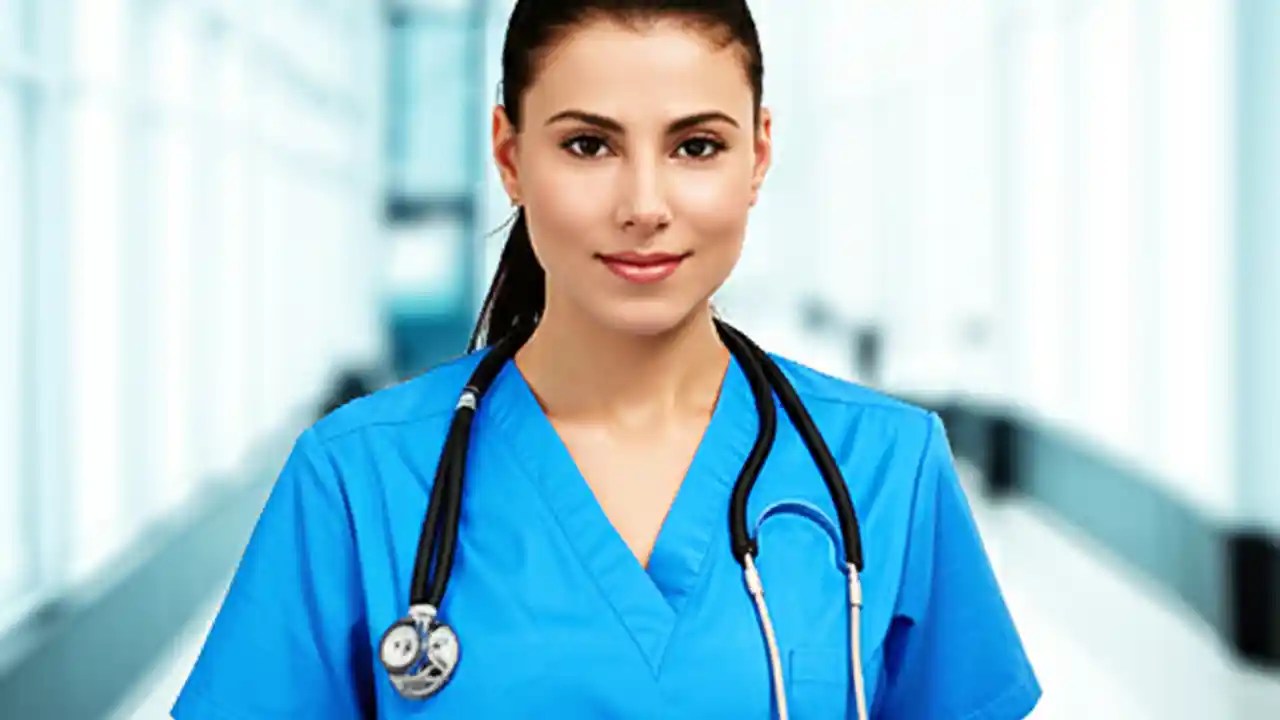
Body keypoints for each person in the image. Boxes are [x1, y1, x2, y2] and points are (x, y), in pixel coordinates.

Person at [172, 1, 1042, 717]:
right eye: (589, 145)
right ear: (510, 156)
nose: (644, 205)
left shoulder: (886, 468)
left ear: (758, 155)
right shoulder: (358, 479)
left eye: (696, 146)